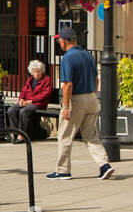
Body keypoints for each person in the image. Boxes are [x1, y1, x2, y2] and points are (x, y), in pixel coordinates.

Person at [48, 26, 113, 180]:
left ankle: (63, 170)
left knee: (65, 135)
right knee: (91, 136)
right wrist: (92, 94)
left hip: (76, 99)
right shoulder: (88, 55)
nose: (59, 43)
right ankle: (104, 165)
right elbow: (96, 79)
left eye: (59, 40)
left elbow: (68, 85)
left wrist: (66, 106)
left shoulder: (67, 58)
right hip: (91, 97)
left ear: (64, 41)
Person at [5, 60, 53, 141]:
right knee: (11, 110)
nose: (36, 74)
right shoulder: (30, 81)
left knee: (24, 111)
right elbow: (23, 92)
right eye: (34, 72)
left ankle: (22, 135)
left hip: (38, 104)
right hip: (27, 102)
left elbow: (44, 95)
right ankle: (15, 132)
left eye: (38, 72)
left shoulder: (46, 80)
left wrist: (30, 101)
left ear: (42, 71)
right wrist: (21, 99)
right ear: (32, 72)